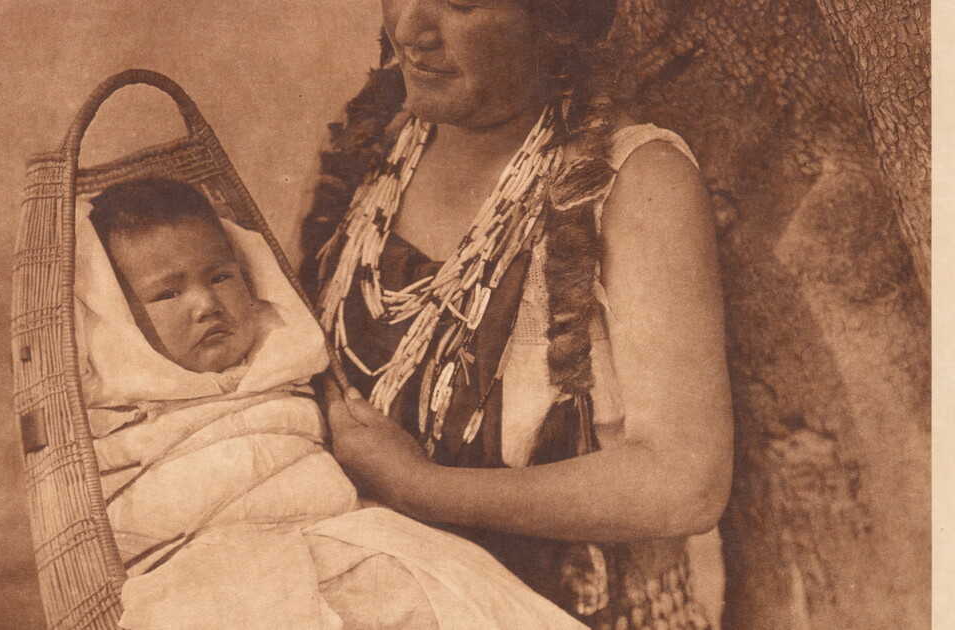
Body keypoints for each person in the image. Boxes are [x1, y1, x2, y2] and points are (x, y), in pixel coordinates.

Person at [301, 1, 733, 629]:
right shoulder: (381, 138)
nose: (412, 33)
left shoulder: (637, 180)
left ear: (554, 20)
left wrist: (420, 489)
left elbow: (685, 482)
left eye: (460, 3)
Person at [73, 177, 588, 630]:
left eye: (221, 277)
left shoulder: (283, 357)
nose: (205, 304)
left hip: (341, 536)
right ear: (121, 318)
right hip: (213, 570)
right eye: (167, 295)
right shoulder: (119, 403)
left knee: (452, 589)